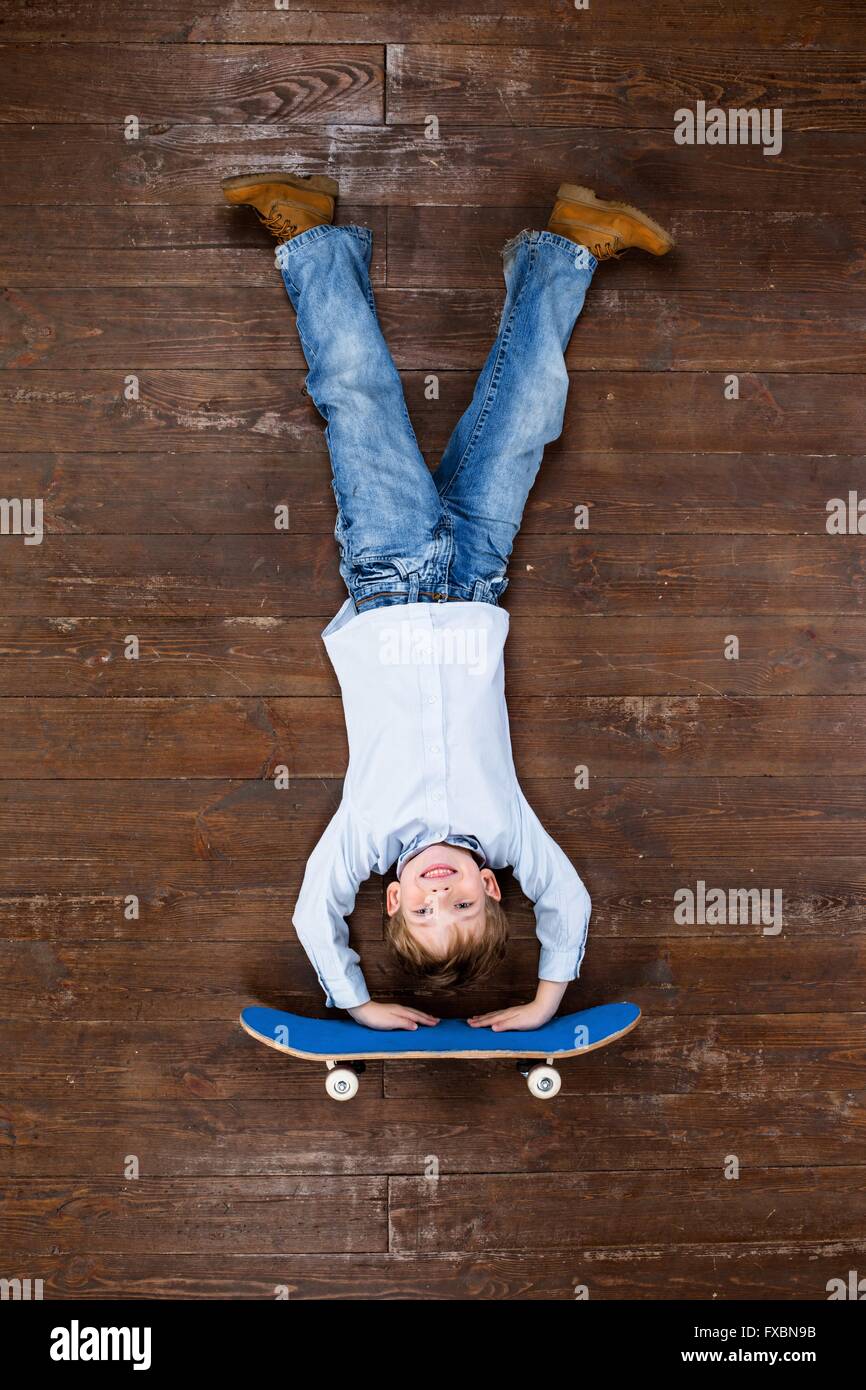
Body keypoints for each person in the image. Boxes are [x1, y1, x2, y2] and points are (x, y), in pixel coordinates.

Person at [222, 172, 673, 1030]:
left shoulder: (360, 835)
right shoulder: (506, 833)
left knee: (361, 402)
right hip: (476, 574)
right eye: (464, 908)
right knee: (527, 416)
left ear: (389, 898)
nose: (443, 899)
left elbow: (311, 913)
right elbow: (569, 904)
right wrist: (546, 1000)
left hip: (387, 576)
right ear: (491, 886)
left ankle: (308, 239)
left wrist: (356, 1003)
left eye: (422, 914)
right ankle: (570, 246)